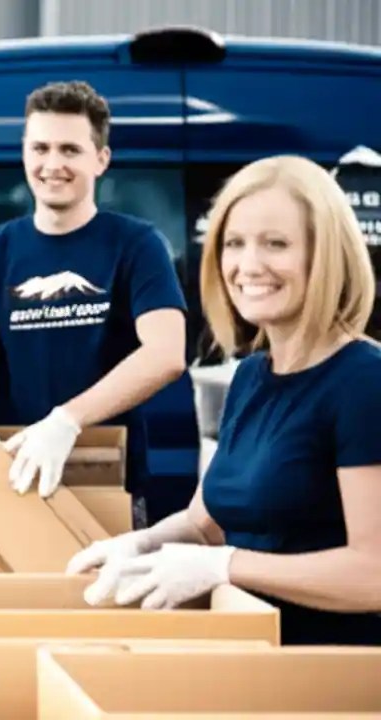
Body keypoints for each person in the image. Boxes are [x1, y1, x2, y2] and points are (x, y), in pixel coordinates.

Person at [72, 154, 381, 646]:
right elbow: (205, 524)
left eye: (276, 243)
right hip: (251, 659)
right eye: (234, 243)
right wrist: (143, 543)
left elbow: (373, 575)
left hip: (331, 671)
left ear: (326, 255)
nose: (248, 265)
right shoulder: (252, 376)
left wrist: (224, 566)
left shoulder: (364, 382)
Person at [0, 80, 187, 526]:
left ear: (101, 159)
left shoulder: (136, 244)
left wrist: (67, 420)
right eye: (41, 148)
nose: (53, 164)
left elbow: (166, 354)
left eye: (70, 150)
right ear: (24, 154)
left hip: (107, 480)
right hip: (12, 480)